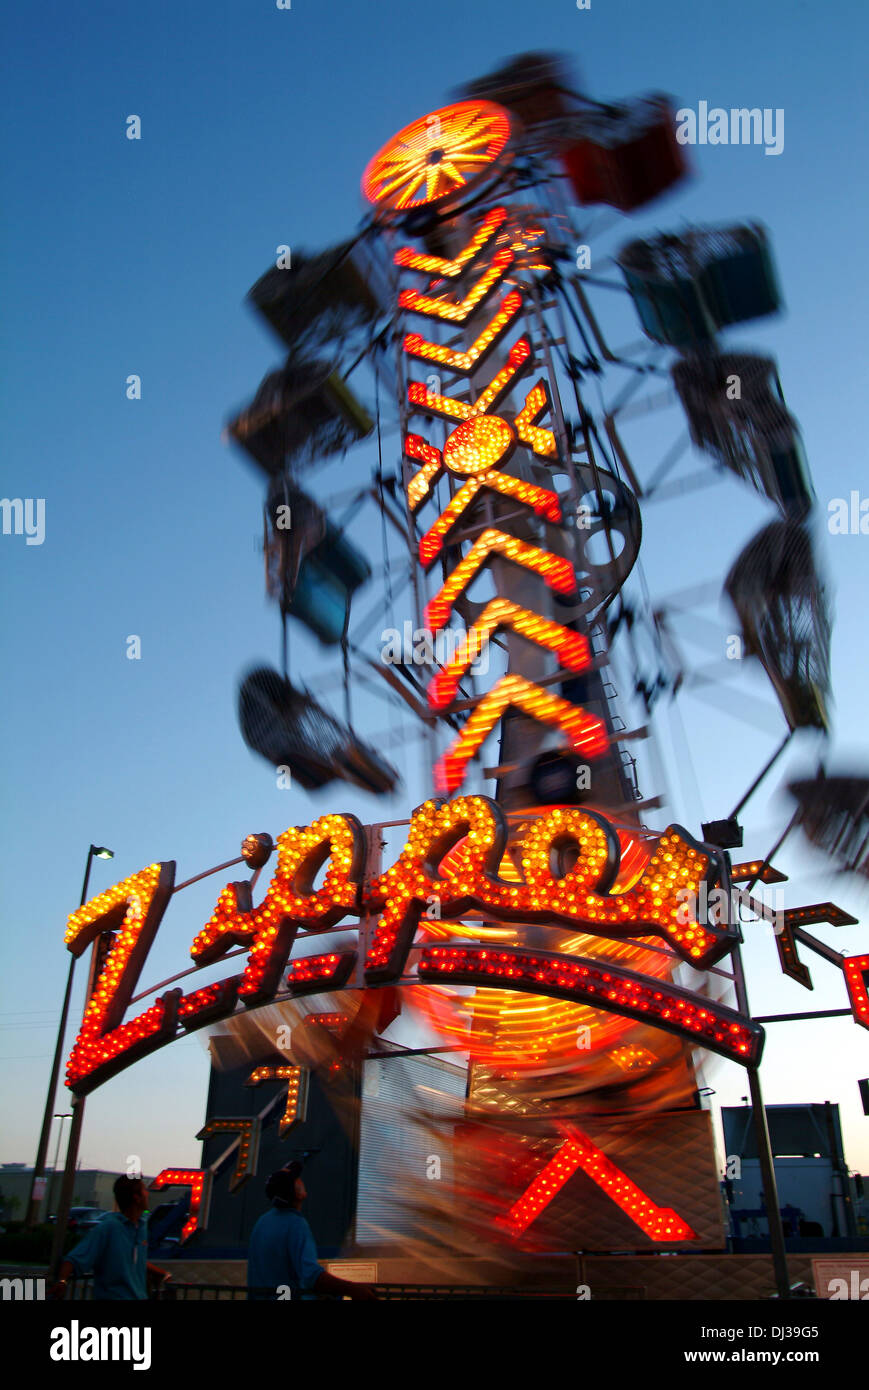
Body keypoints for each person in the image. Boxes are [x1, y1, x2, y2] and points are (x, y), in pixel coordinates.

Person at [247, 1163, 376, 1300]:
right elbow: (311, 1276)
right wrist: (354, 1289)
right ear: (296, 1192)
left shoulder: (262, 1222)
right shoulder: (295, 1224)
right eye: (296, 1178)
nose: (301, 1180)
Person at [49, 1175, 171, 1300]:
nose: (148, 1194)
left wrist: (161, 1273)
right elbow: (74, 1259)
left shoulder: (141, 1228)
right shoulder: (109, 1228)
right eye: (144, 1190)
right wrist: (62, 1281)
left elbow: (132, 1258)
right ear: (136, 1197)